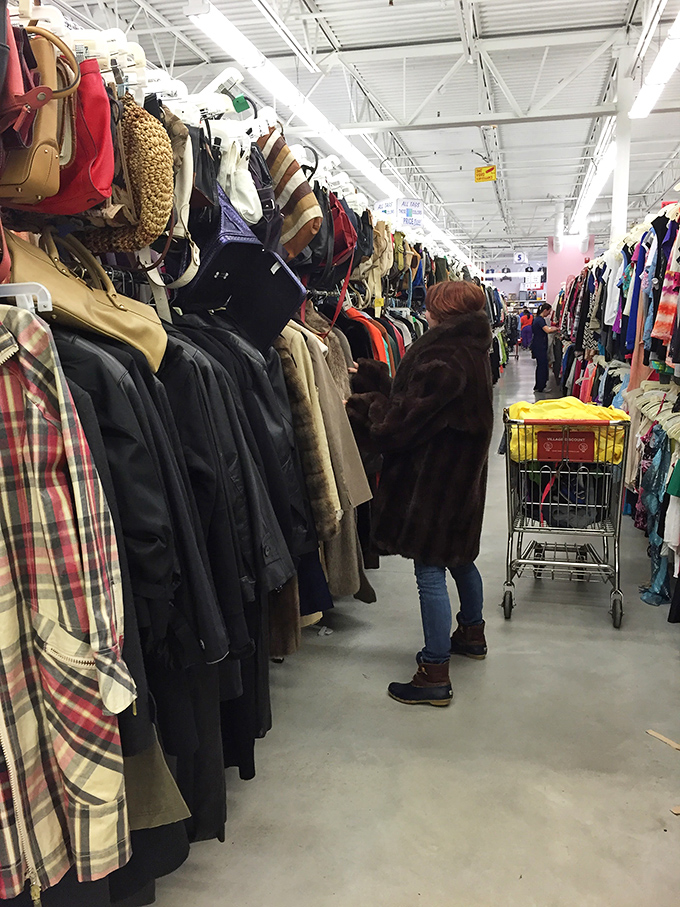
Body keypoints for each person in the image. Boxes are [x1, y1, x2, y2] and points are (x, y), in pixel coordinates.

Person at [346, 282, 494, 707]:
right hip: (459, 477)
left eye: (431, 307)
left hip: (433, 482)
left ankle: (434, 672)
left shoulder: (443, 357)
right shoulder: (469, 349)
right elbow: (420, 403)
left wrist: (362, 404)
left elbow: (398, 425)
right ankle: (471, 632)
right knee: (460, 558)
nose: (424, 312)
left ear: (442, 311)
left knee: (430, 570)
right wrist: (377, 376)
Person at [531, 302, 559, 392]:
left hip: (538, 345)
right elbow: (547, 330)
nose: (549, 314)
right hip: (540, 346)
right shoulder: (540, 320)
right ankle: (541, 386)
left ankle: (538, 386)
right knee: (542, 366)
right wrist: (556, 329)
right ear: (545, 310)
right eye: (549, 311)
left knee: (540, 365)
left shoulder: (537, 319)